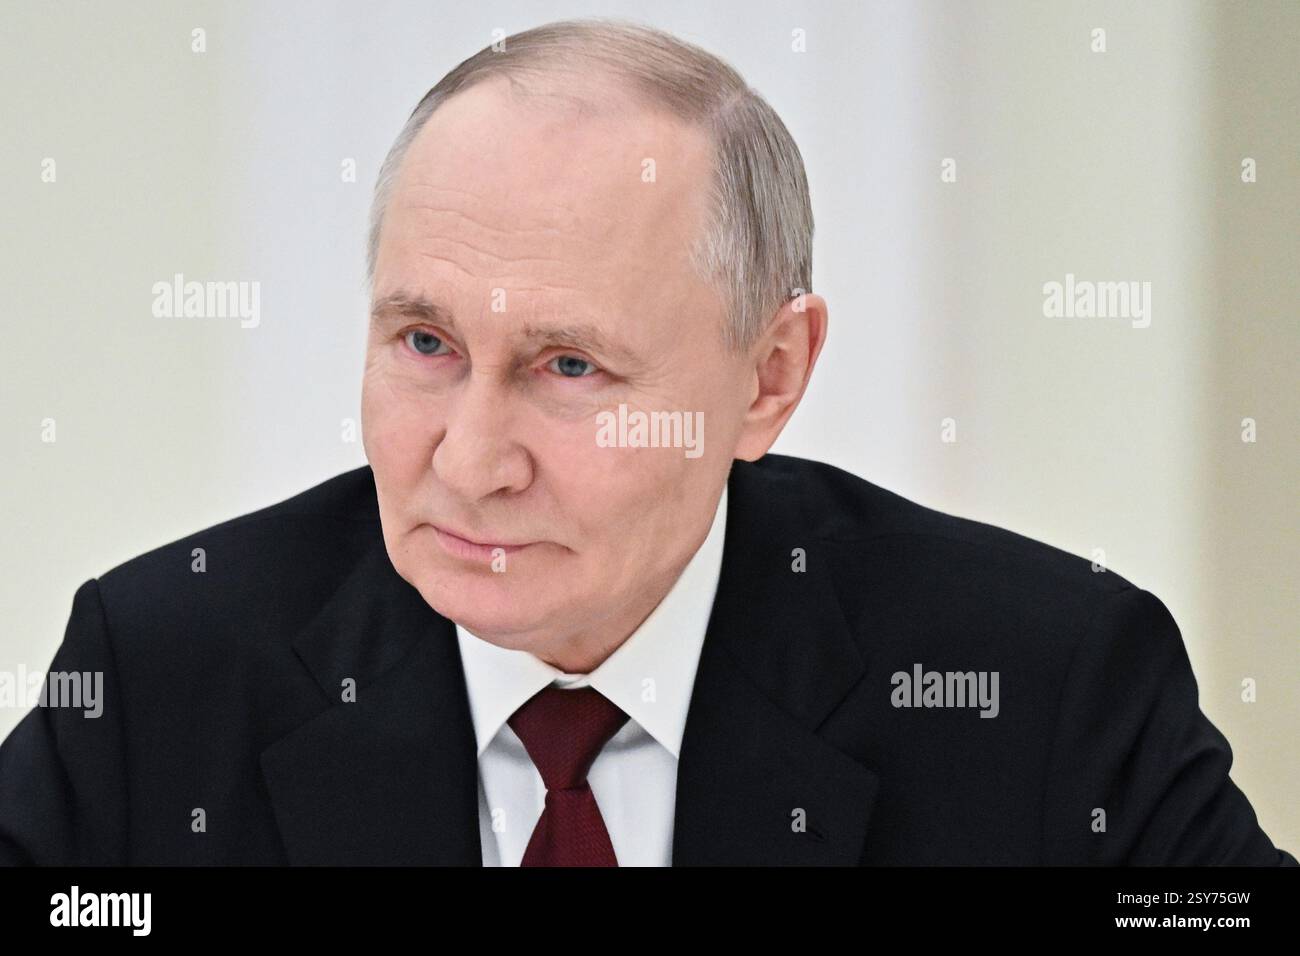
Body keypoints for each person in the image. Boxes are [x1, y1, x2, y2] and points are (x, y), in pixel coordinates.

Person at [0, 18, 1292, 866]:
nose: (469, 461)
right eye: (425, 346)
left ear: (769, 377)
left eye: (569, 368)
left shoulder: (1043, 683)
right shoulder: (158, 679)